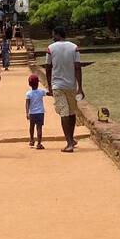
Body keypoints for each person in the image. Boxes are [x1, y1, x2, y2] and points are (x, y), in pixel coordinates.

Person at [45, 25, 84, 153]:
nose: (52, 37)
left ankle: (69, 143)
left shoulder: (51, 48)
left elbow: (48, 67)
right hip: (71, 85)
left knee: (64, 113)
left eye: (53, 34)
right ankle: (71, 139)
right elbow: (78, 67)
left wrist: (50, 86)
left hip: (58, 85)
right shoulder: (74, 47)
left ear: (57, 35)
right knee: (71, 112)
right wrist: (80, 87)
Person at [24, 73, 47, 149]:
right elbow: (49, 93)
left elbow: (27, 104)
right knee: (39, 128)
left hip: (32, 113)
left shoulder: (28, 94)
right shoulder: (41, 91)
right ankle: (39, 143)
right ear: (38, 83)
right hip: (40, 112)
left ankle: (31, 139)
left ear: (29, 84)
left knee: (31, 127)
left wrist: (27, 113)